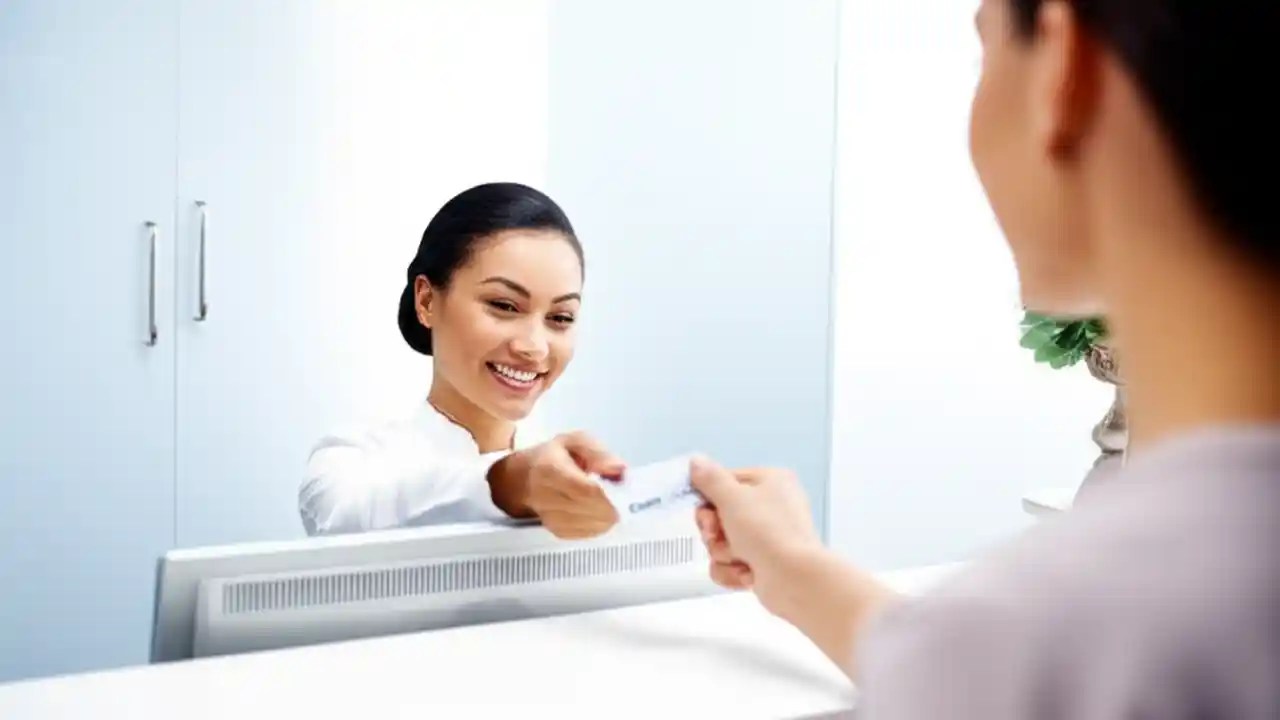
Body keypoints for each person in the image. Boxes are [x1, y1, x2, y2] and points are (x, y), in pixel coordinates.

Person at [691, 0, 1279, 716]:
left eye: (986, 51)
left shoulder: (1045, 640)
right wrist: (796, 570)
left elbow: (1011, 662)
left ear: (1064, 70)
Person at [299, 182, 626, 540]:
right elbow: (346, 518)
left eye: (561, 318)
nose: (535, 348)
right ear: (426, 302)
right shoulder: (350, 461)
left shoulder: (578, 486)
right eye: (503, 305)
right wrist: (511, 483)